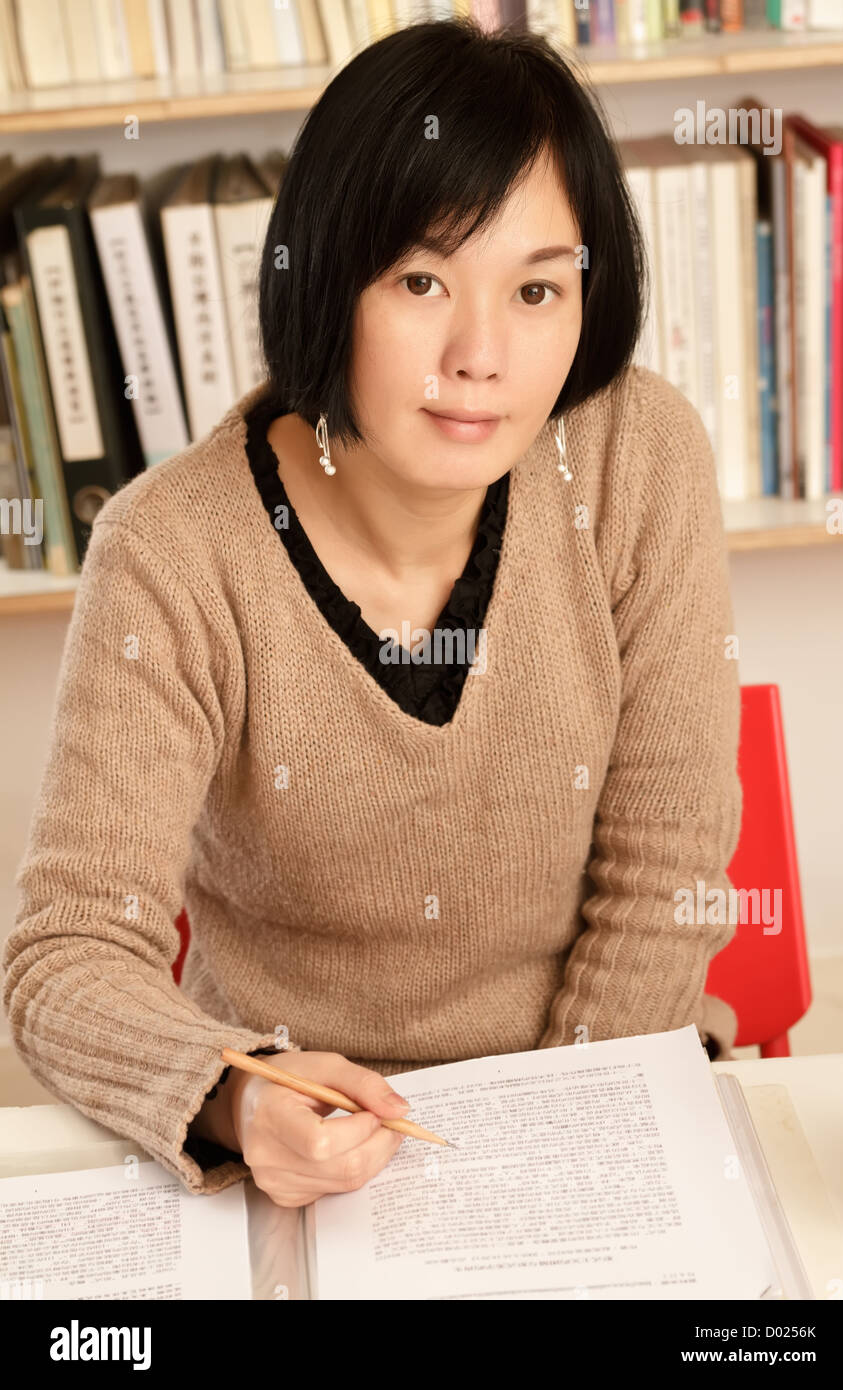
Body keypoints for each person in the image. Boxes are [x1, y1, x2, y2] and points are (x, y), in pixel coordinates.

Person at [3, 18, 740, 1212]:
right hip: (309, 1168)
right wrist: (239, 1093)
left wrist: (546, 1147)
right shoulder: (170, 551)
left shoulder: (634, 457)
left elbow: (665, 871)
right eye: (420, 279)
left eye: (538, 287)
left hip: (600, 1100)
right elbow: (67, 953)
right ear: (325, 274)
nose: (481, 355)